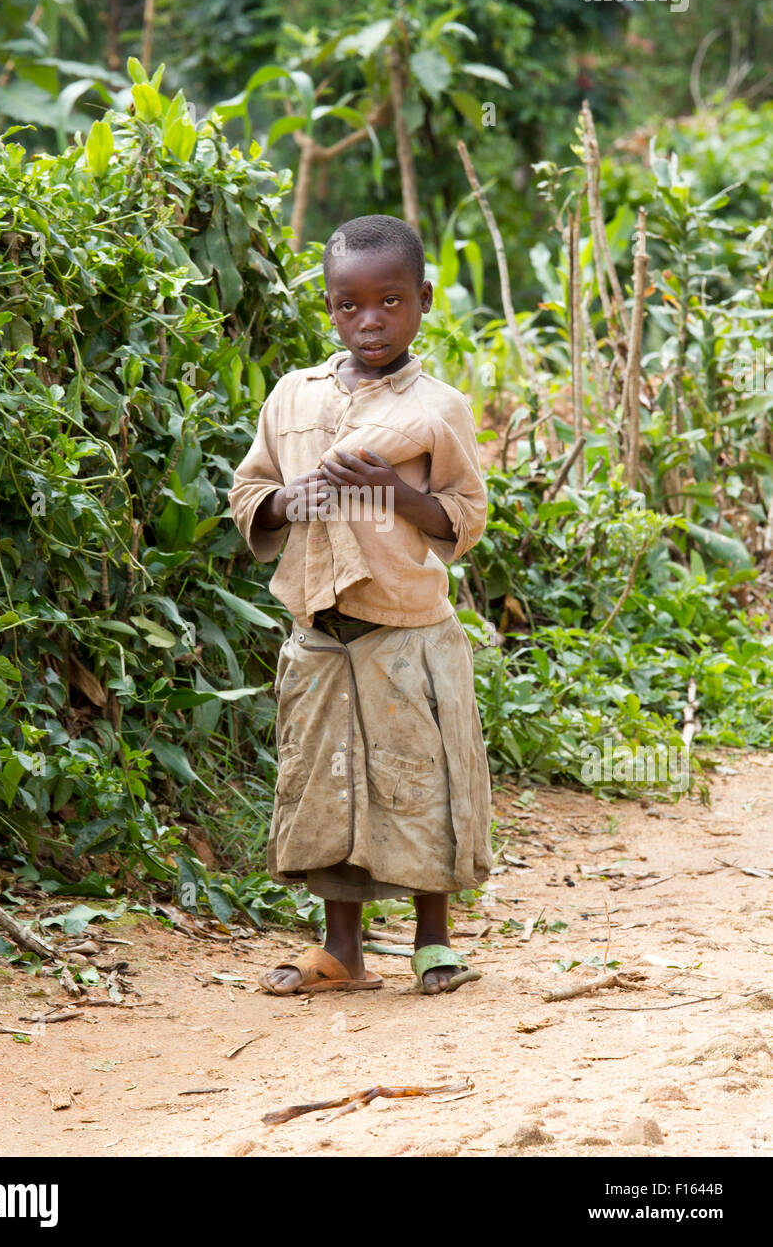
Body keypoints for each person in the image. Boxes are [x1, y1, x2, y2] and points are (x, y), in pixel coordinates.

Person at [228, 214, 492, 996]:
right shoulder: (293, 395)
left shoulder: (438, 407)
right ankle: (341, 950)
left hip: (407, 631)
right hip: (318, 633)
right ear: (329, 307)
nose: (370, 321)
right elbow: (250, 492)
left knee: (421, 783)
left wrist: (398, 494)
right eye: (350, 305)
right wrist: (288, 501)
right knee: (326, 785)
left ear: (424, 301)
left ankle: (434, 942)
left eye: (390, 301)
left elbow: (465, 515)